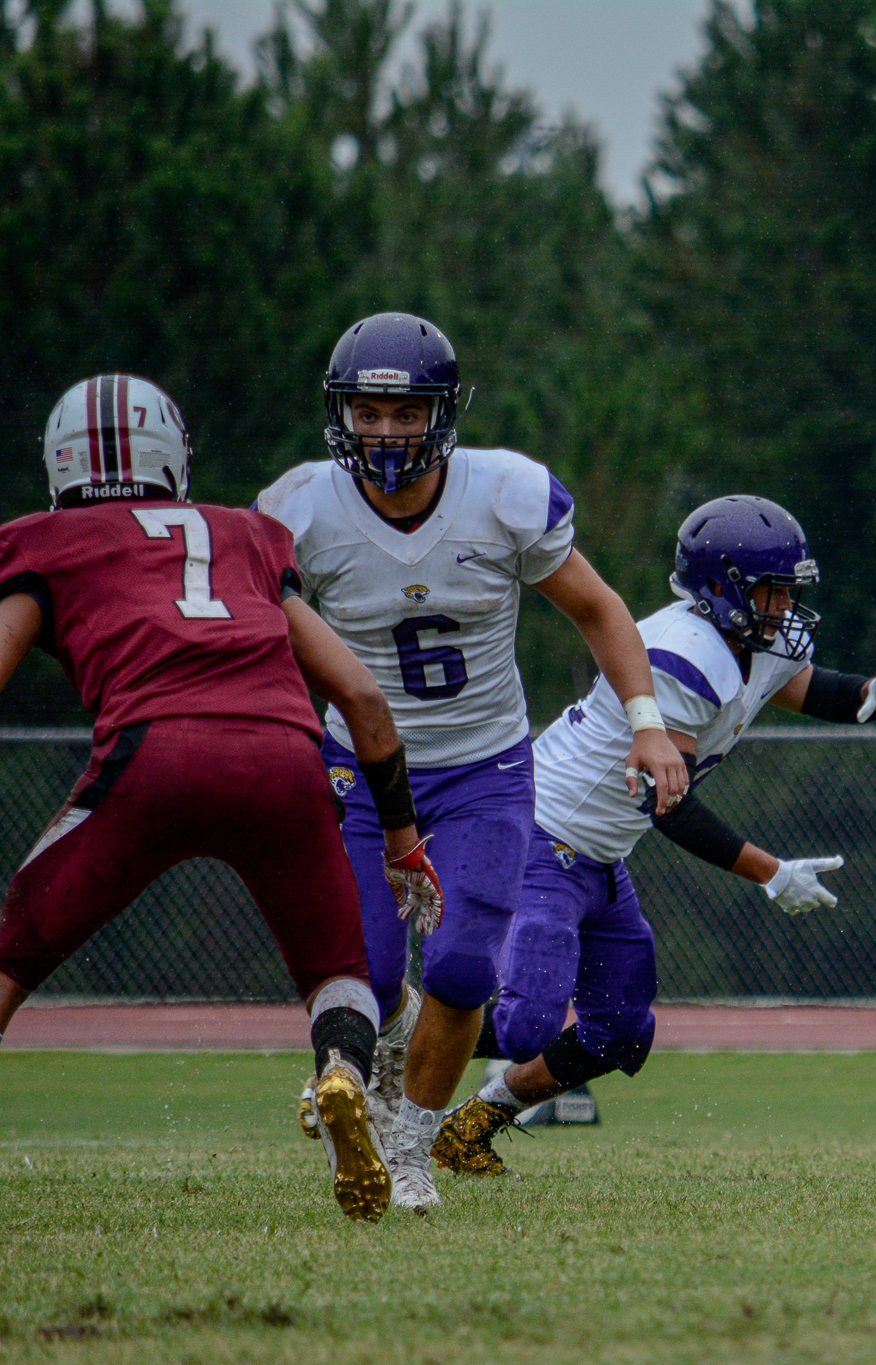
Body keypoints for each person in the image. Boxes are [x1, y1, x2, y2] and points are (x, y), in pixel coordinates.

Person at [257, 313, 687, 1213]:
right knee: (369, 973)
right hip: (361, 774)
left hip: (482, 769)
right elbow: (265, 639)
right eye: (367, 414)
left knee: (460, 969)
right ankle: (373, 1061)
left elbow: (600, 609)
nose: (385, 433)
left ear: (443, 413)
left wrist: (647, 722)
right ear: (339, 414)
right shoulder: (299, 510)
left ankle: (410, 1147)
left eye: (406, 412)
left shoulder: (503, 495)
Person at [0, 375, 443, 1223]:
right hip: (283, 757)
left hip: (154, 756)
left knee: (16, 946)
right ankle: (341, 1071)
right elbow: (363, 697)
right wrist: (403, 842)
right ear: (174, 458)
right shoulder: (245, 532)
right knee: (338, 969)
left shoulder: (40, 541)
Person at [432, 496, 876, 1174]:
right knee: (527, 1027)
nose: (785, 605)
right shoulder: (680, 653)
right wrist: (770, 871)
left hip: (600, 855)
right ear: (722, 588)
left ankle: (470, 1126)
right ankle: (389, 1042)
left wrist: (870, 696)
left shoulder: (754, 643)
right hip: (543, 839)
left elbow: (815, 691)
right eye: (772, 590)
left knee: (618, 1031)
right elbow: (671, 806)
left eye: (790, 590)